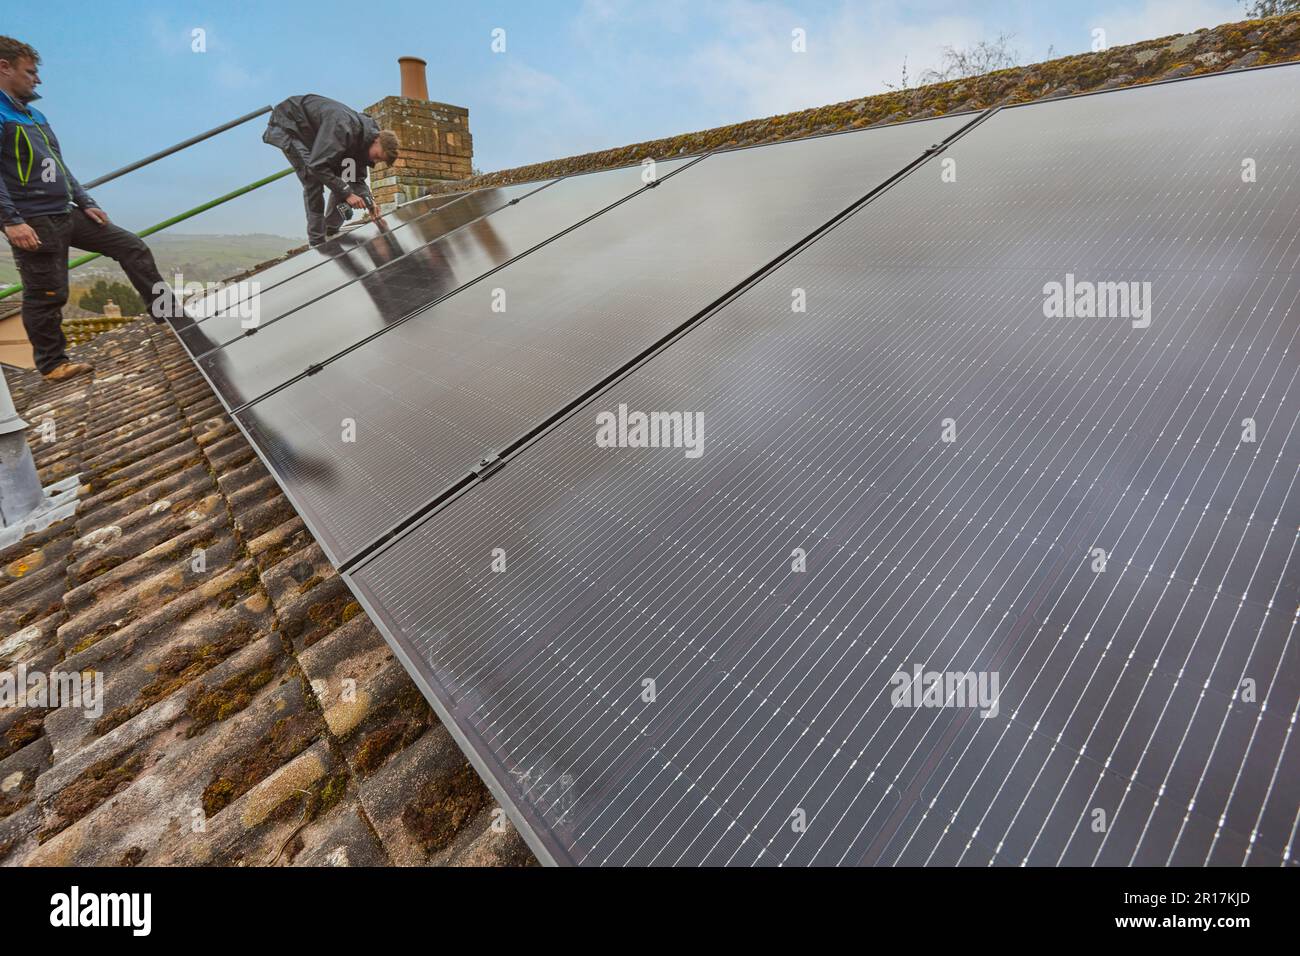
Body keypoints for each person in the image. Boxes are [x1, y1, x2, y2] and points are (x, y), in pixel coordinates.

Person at [0, 35, 169, 382]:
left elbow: (59, 165)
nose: (38, 79)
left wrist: (86, 201)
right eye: (30, 72)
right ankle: (52, 364)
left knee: (132, 247)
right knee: (49, 292)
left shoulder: (33, 114)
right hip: (32, 219)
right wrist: (10, 221)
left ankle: (169, 316)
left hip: (66, 211)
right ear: (4, 68)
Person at [263, 94, 399, 247]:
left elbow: (355, 179)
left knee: (344, 184)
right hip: (290, 125)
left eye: (379, 161)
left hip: (315, 137)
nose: (374, 161)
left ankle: (330, 230)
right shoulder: (344, 128)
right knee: (313, 179)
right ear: (376, 139)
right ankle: (317, 242)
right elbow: (317, 166)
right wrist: (347, 194)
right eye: (377, 156)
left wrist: (370, 203)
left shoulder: (362, 143)